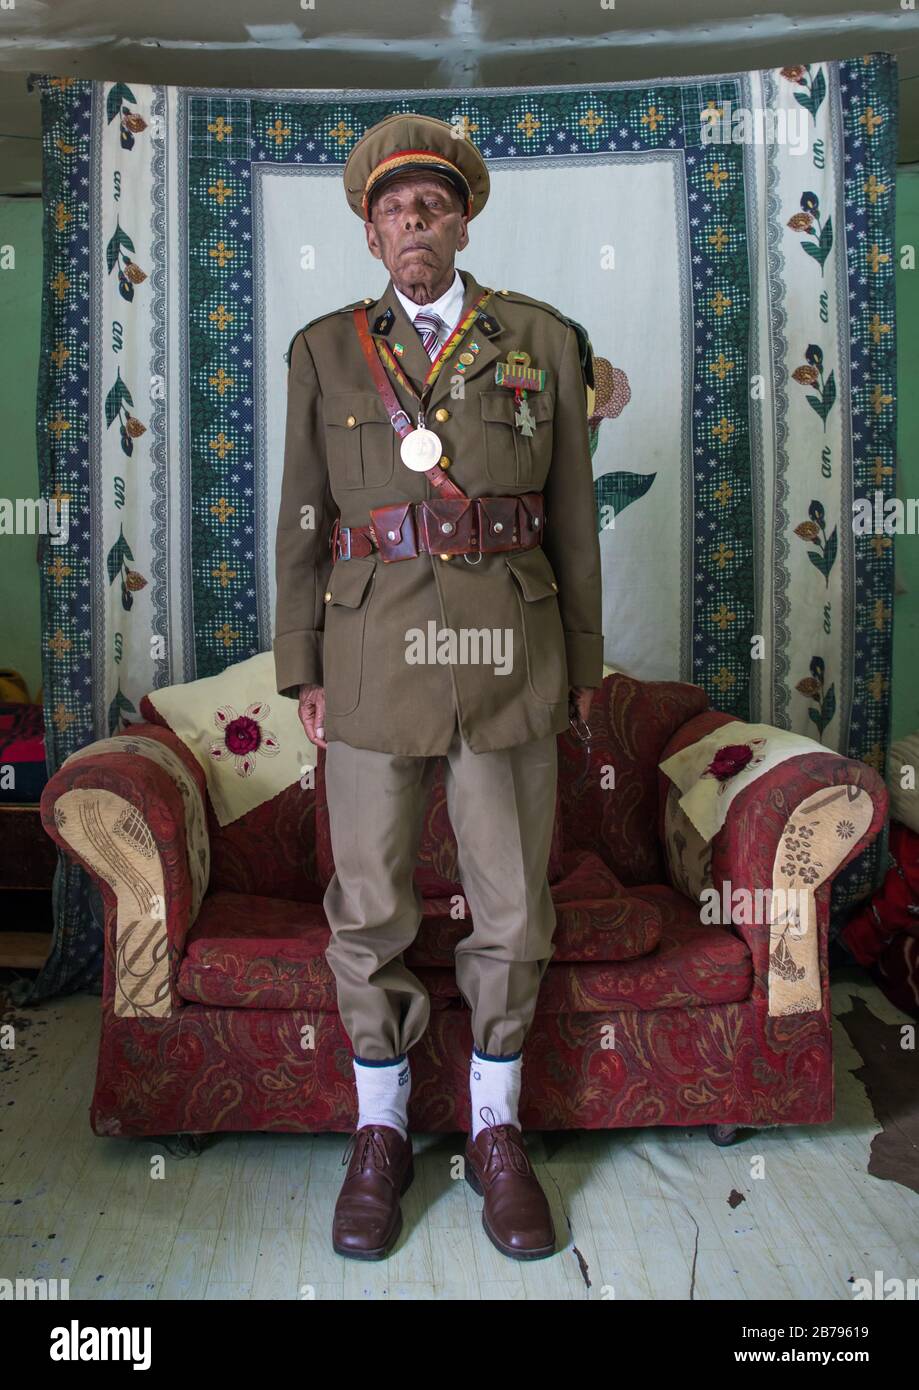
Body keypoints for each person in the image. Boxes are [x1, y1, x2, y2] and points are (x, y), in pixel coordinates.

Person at [273, 111, 603, 1262]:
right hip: (369, 663)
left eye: (431, 206)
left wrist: (580, 665)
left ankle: (497, 1134)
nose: (414, 224)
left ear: (461, 221)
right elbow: (303, 520)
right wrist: (301, 668)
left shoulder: (540, 342)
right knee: (365, 911)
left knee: (512, 907)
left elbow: (570, 521)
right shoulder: (324, 351)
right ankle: (379, 1134)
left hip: (512, 658)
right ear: (370, 237)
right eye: (392, 212)